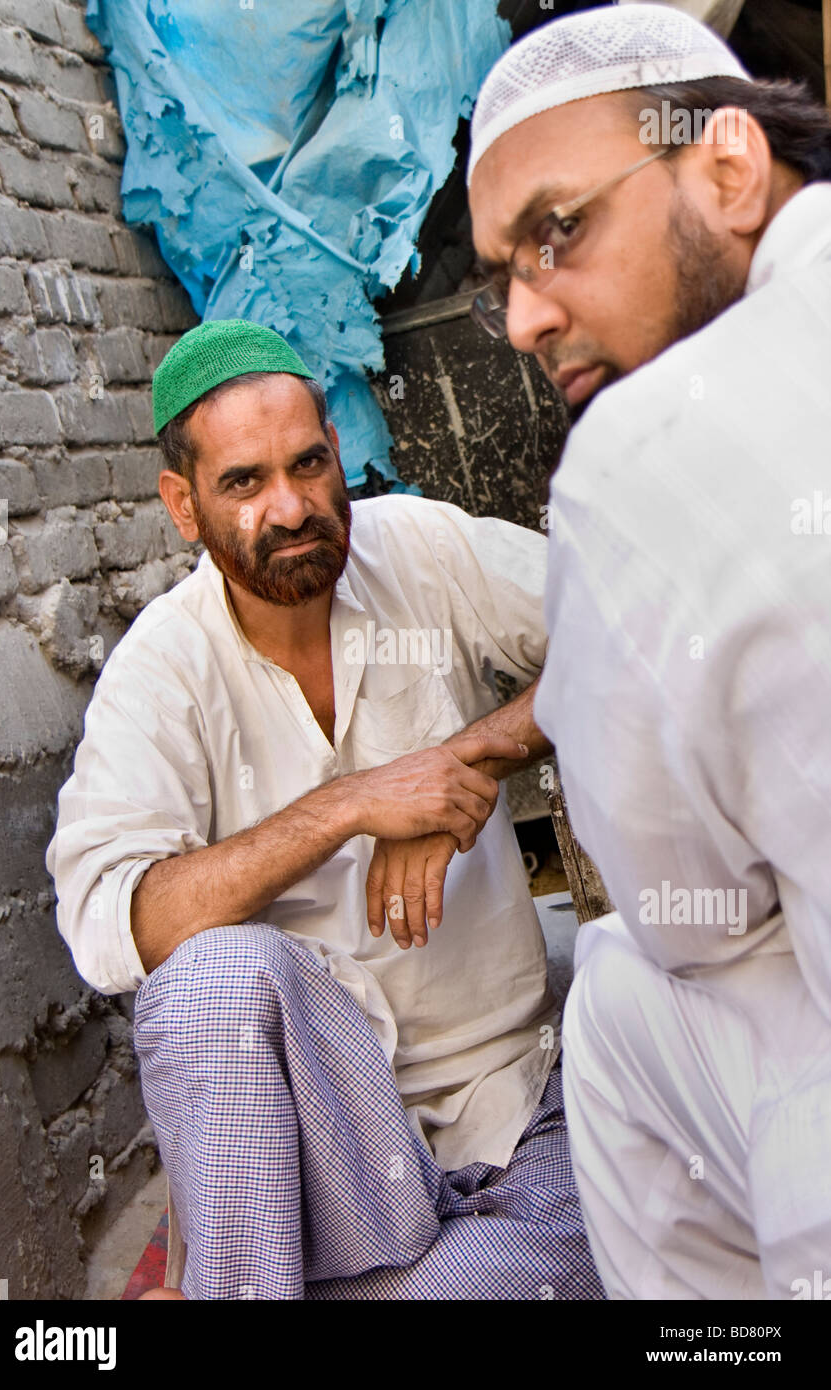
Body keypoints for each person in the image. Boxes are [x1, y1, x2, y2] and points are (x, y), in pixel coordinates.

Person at [46, 319, 604, 1301]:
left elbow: (623, 623)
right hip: (323, 1151)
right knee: (207, 979)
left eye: (308, 464)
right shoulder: (160, 670)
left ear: (337, 450)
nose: (294, 506)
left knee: (583, 1224)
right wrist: (349, 806)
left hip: (507, 1105)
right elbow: (111, 929)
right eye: (245, 482)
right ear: (182, 503)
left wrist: (462, 762)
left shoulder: (421, 550)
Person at [467, 2, 831, 1299]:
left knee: (620, 979)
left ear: (727, 167)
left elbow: (694, 920)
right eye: (501, 270)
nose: (519, 318)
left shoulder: (639, 451)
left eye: (554, 231)